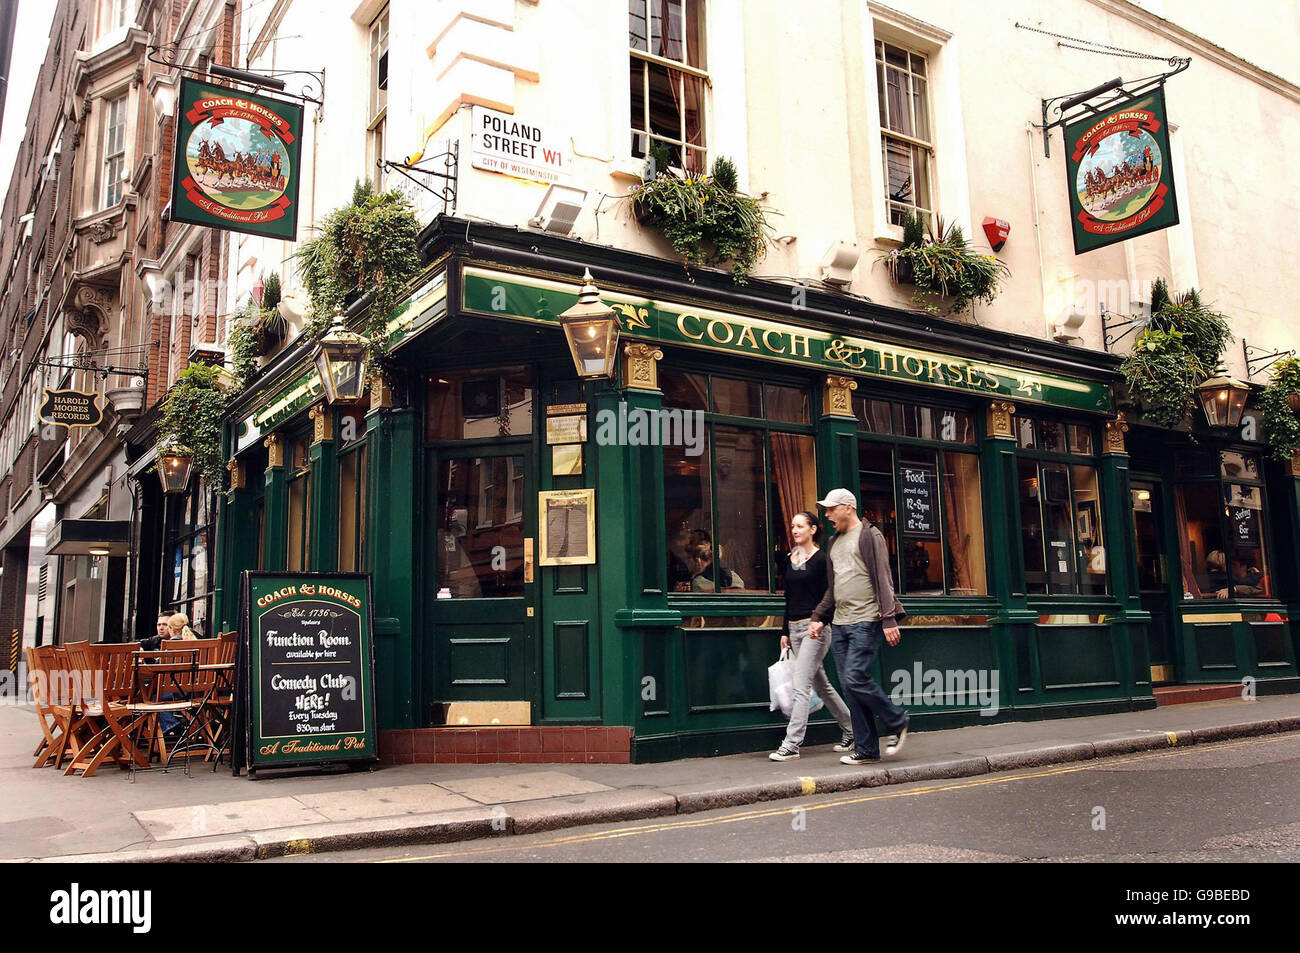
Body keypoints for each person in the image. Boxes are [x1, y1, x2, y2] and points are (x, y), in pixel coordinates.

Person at [809, 488, 909, 765]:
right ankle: (866, 749)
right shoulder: (834, 542)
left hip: (866, 621)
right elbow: (834, 587)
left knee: (855, 678)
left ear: (848, 508)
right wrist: (819, 616)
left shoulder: (869, 536)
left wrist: (888, 619)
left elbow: (882, 577)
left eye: (831, 509)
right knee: (850, 687)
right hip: (840, 624)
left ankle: (896, 720)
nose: (827, 515)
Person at [769, 511, 855, 762]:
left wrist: (821, 622)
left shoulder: (821, 560)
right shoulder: (791, 558)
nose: (794, 530)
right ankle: (853, 730)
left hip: (814, 629)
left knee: (801, 685)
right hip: (795, 629)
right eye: (793, 526)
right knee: (821, 686)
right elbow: (789, 598)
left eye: (800, 526)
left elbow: (830, 596)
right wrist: (785, 631)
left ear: (813, 529)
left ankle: (792, 743)